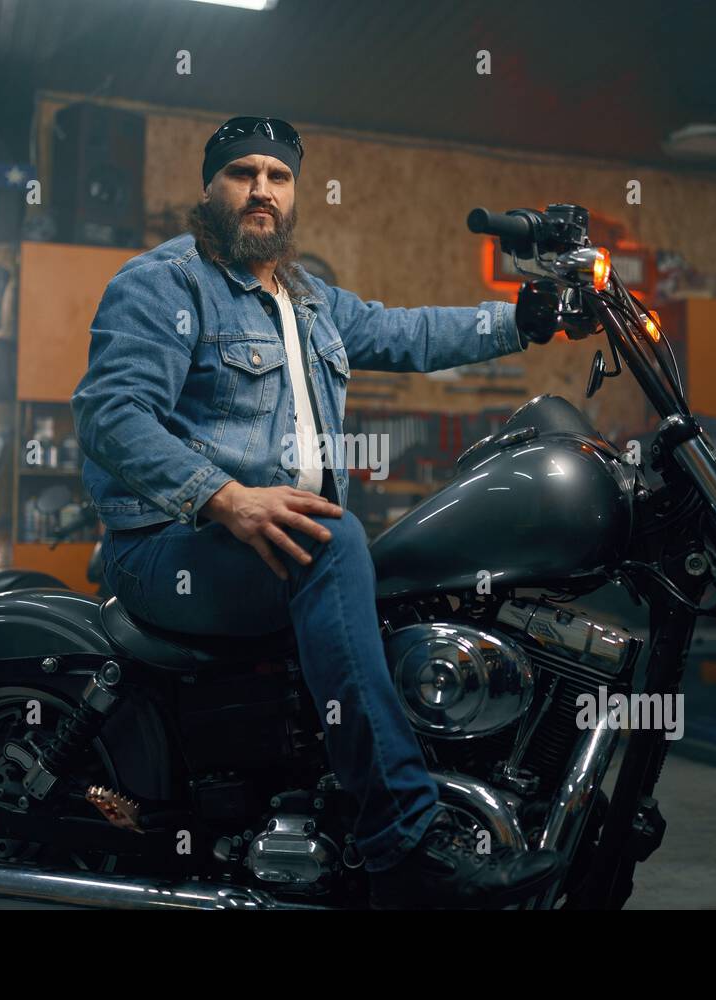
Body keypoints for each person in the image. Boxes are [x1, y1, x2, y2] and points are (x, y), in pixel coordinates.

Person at [72, 115, 567, 908]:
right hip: (171, 544)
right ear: (211, 188)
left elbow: (408, 333)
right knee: (336, 543)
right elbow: (111, 413)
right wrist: (224, 497)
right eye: (243, 174)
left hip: (265, 549)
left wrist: (523, 320)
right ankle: (403, 838)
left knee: (400, 576)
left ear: (294, 194)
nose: (261, 188)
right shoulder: (166, 282)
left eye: (278, 175)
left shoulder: (306, 300)